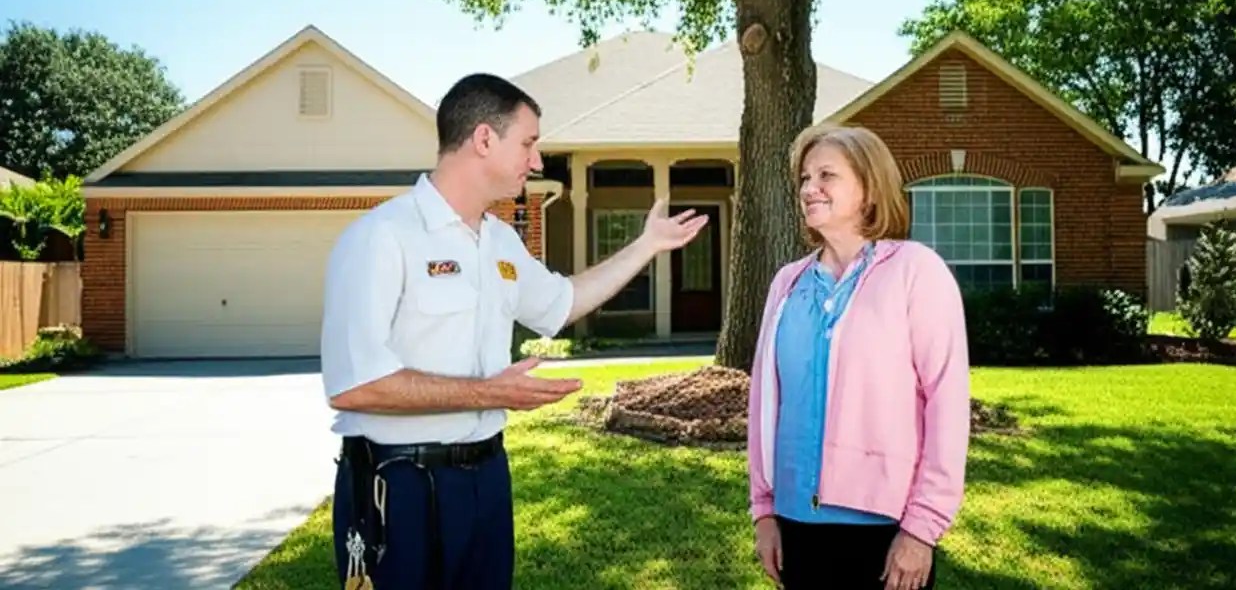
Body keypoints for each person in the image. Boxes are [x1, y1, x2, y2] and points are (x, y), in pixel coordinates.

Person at [320, 72, 708, 590]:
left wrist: (646, 246)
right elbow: (355, 384)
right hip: (399, 485)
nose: (537, 161)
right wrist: (491, 392)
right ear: (484, 139)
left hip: (485, 480)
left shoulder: (500, 241)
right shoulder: (381, 238)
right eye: (528, 142)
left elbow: (562, 303)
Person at [747, 124, 970, 590]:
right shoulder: (786, 284)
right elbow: (765, 405)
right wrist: (764, 511)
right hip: (796, 526)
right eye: (805, 179)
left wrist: (921, 529)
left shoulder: (916, 271)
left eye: (826, 175)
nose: (810, 188)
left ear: (868, 188)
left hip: (884, 531)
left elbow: (947, 403)